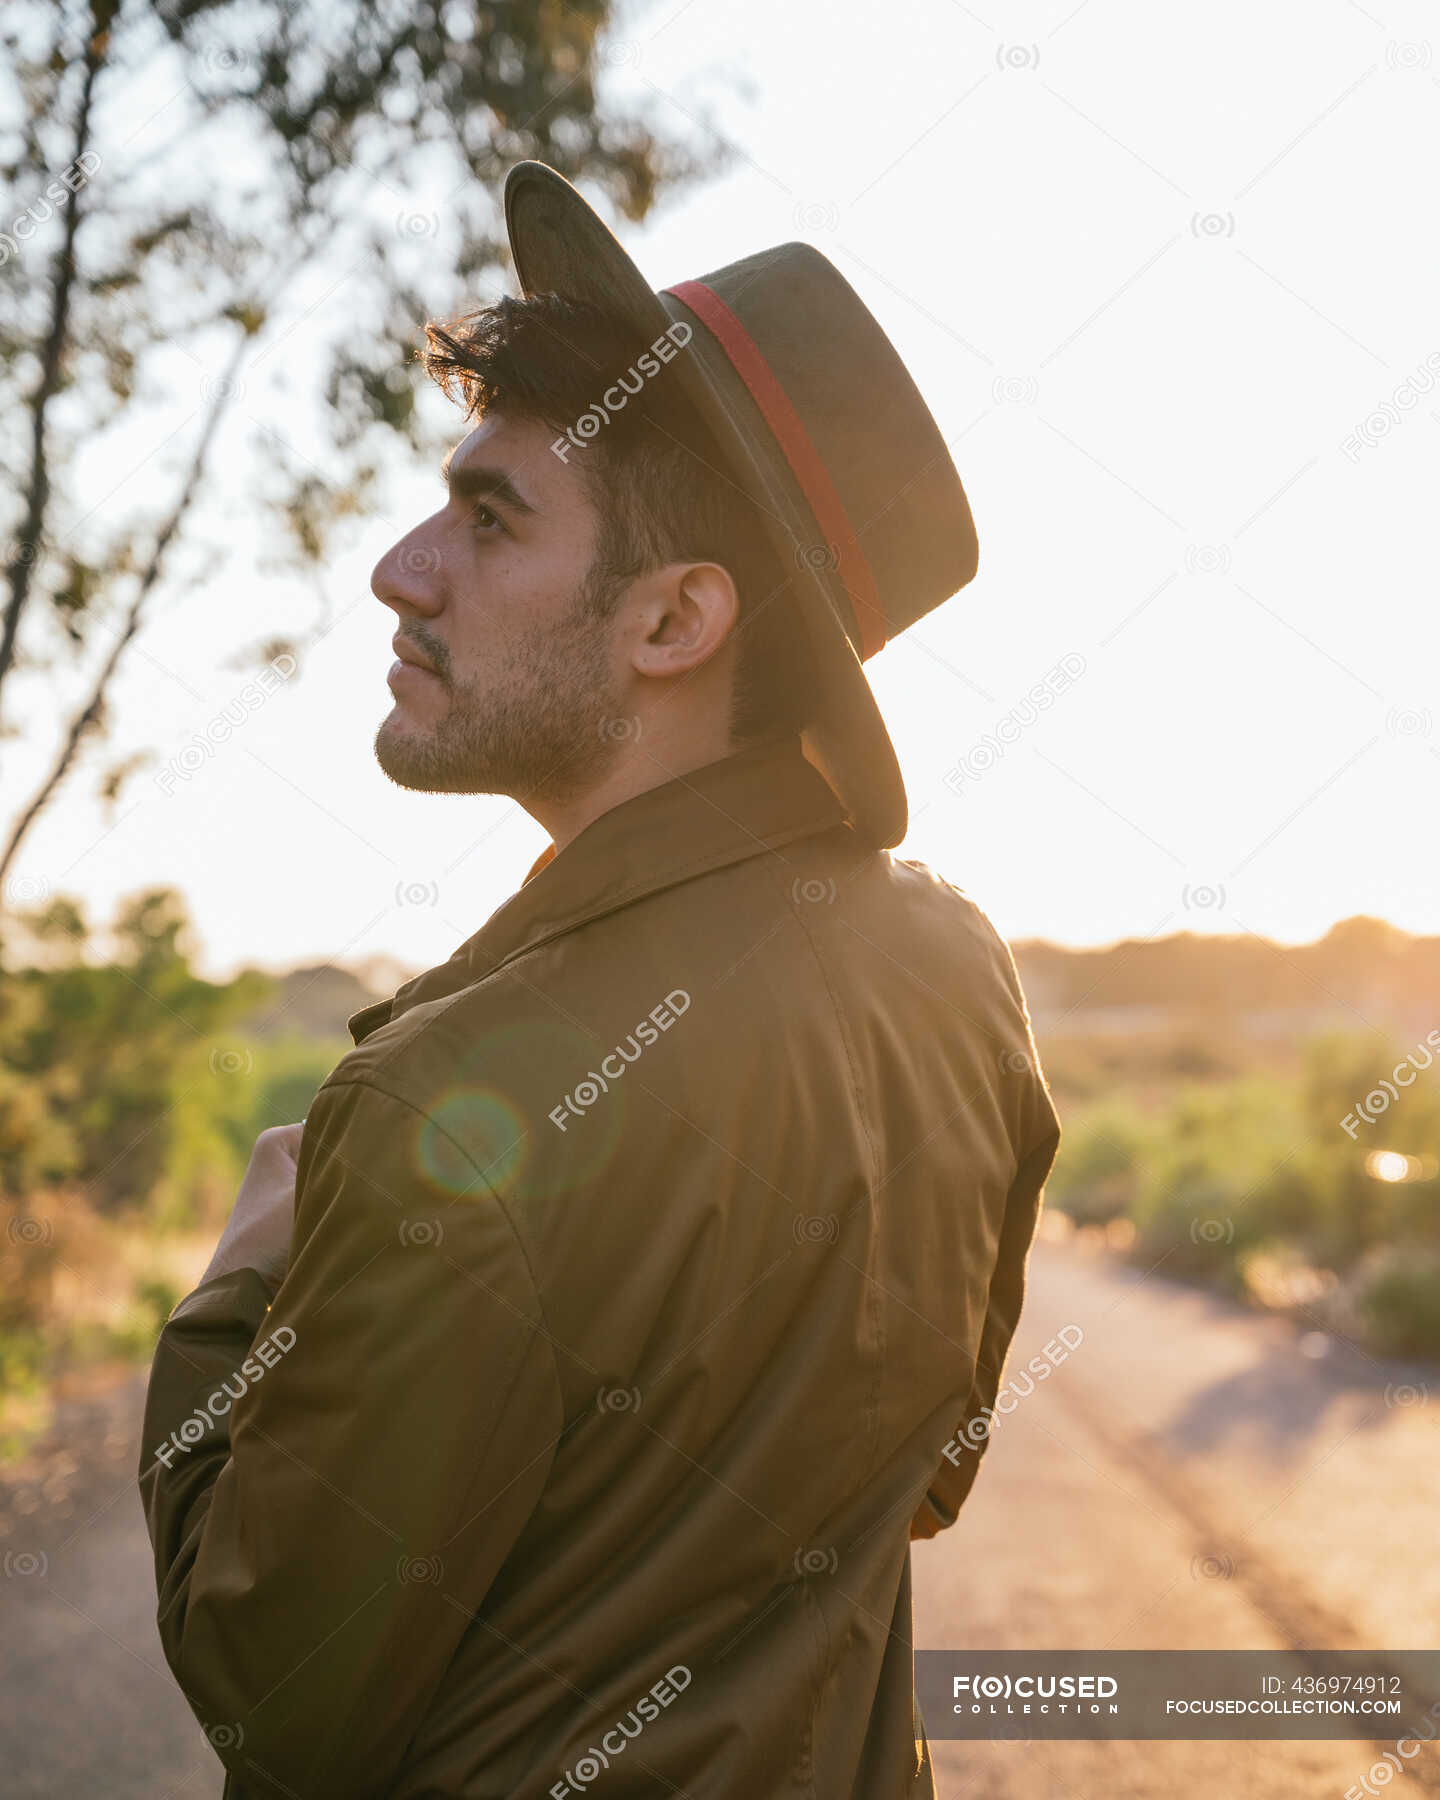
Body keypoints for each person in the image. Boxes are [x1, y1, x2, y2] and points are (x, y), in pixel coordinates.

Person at [139, 161, 1060, 1800]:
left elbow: (277, 1703)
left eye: (490, 519)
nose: (402, 572)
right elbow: (928, 1471)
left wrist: (240, 1293)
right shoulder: (961, 978)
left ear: (675, 621)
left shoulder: (451, 1107)